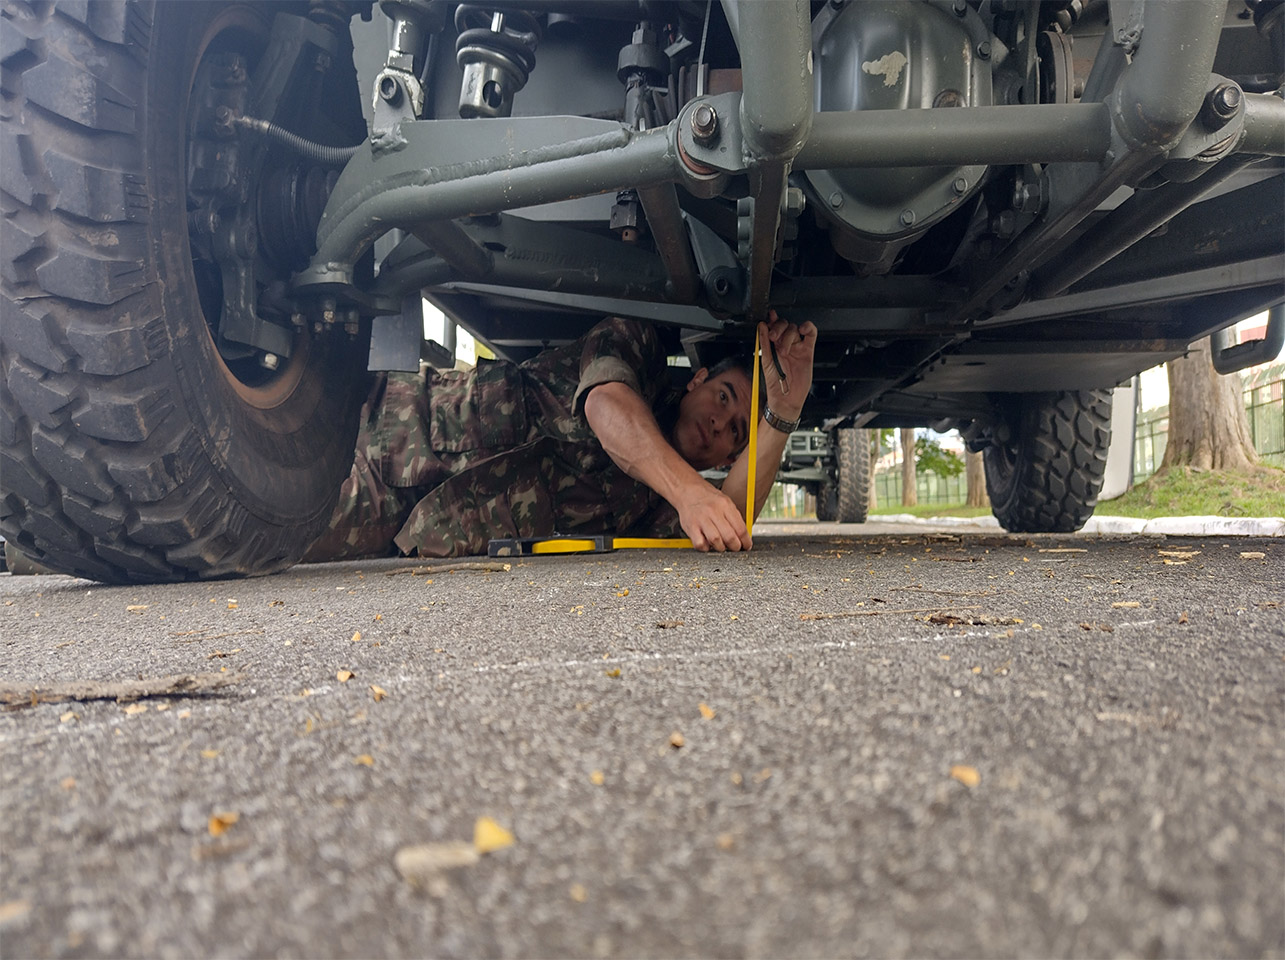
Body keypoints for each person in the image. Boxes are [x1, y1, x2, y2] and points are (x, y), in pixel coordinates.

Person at [303, 311, 817, 560]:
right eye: (724, 397)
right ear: (699, 378)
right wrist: (691, 494)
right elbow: (605, 402)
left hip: (399, 523)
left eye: (735, 433)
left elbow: (728, 517)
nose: (718, 423)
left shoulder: (657, 514)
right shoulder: (639, 346)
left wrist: (785, 412)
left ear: (732, 458)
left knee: (246, 541)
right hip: (386, 422)